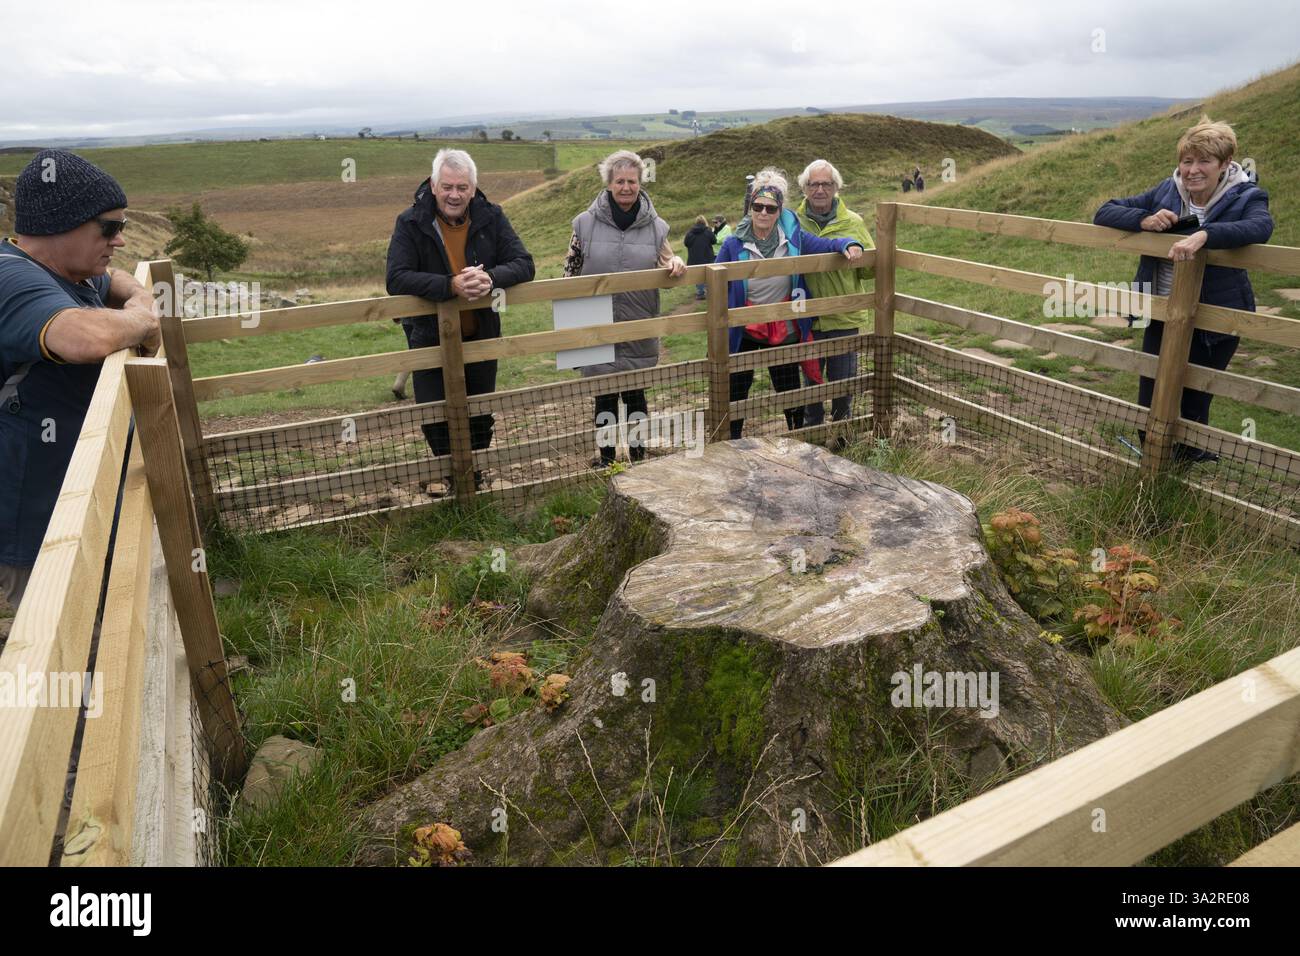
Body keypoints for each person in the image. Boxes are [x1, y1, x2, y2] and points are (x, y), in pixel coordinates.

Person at [0, 149, 159, 613]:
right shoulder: (11, 278)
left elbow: (118, 278)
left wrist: (138, 298)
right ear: (58, 225)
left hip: (76, 499)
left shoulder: (70, 271)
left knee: (108, 627)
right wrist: (144, 323)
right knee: (66, 652)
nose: (121, 240)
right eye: (109, 228)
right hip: (39, 522)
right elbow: (81, 337)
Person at [1093, 115, 1273, 464]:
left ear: (1223, 164)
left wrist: (1207, 235)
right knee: (1152, 395)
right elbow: (1105, 211)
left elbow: (1261, 227)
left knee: (1193, 401)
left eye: (1204, 161)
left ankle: (1183, 470)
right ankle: (1153, 469)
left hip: (1214, 318)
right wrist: (1143, 220)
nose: (1192, 169)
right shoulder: (1166, 191)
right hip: (1162, 312)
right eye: (1187, 160)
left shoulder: (1246, 196)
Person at [386, 148, 535, 493]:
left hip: (481, 333)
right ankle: (454, 477)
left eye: (462, 187)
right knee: (434, 414)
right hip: (428, 336)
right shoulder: (410, 222)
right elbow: (396, 278)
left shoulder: (491, 216)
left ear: (473, 188)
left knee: (480, 411)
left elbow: (524, 263)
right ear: (434, 185)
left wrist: (491, 279)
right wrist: (449, 285)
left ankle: (474, 478)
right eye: (448, 186)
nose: (455, 195)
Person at [714, 167, 865, 440]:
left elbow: (824, 244)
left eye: (770, 209)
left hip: (783, 327)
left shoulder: (793, 238)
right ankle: (730, 445)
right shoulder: (733, 244)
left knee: (790, 393)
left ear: (779, 210)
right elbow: (713, 281)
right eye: (757, 206)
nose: (763, 213)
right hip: (744, 330)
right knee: (737, 391)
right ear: (750, 208)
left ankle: (798, 441)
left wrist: (849, 243)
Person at [563, 149, 686, 466]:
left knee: (634, 394)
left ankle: (638, 457)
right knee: (603, 394)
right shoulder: (584, 224)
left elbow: (668, 259)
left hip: (638, 317)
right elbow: (571, 271)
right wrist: (571, 327)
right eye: (620, 181)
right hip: (594, 320)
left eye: (632, 181)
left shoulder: (656, 227)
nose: (626, 187)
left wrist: (675, 262)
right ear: (609, 183)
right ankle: (606, 459)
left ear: (640, 183)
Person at [795, 160, 875, 439]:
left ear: (836, 188)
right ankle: (813, 439)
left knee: (843, 384)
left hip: (843, 316)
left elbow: (871, 269)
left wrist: (859, 257)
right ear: (804, 188)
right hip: (808, 319)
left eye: (826, 184)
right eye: (813, 184)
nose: (819, 189)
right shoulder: (793, 222)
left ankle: (843, 439)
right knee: (812, 385)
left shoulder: (853, 222)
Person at [683, 215, 717, 300]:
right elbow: (714, 241)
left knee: (698, 276)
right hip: (707, 257)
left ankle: (700, 292)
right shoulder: (708, 231)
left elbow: (686, 243)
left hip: (694, 259)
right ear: (704, 222)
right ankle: (710, 292)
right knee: (708, 275)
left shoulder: (690, 232)